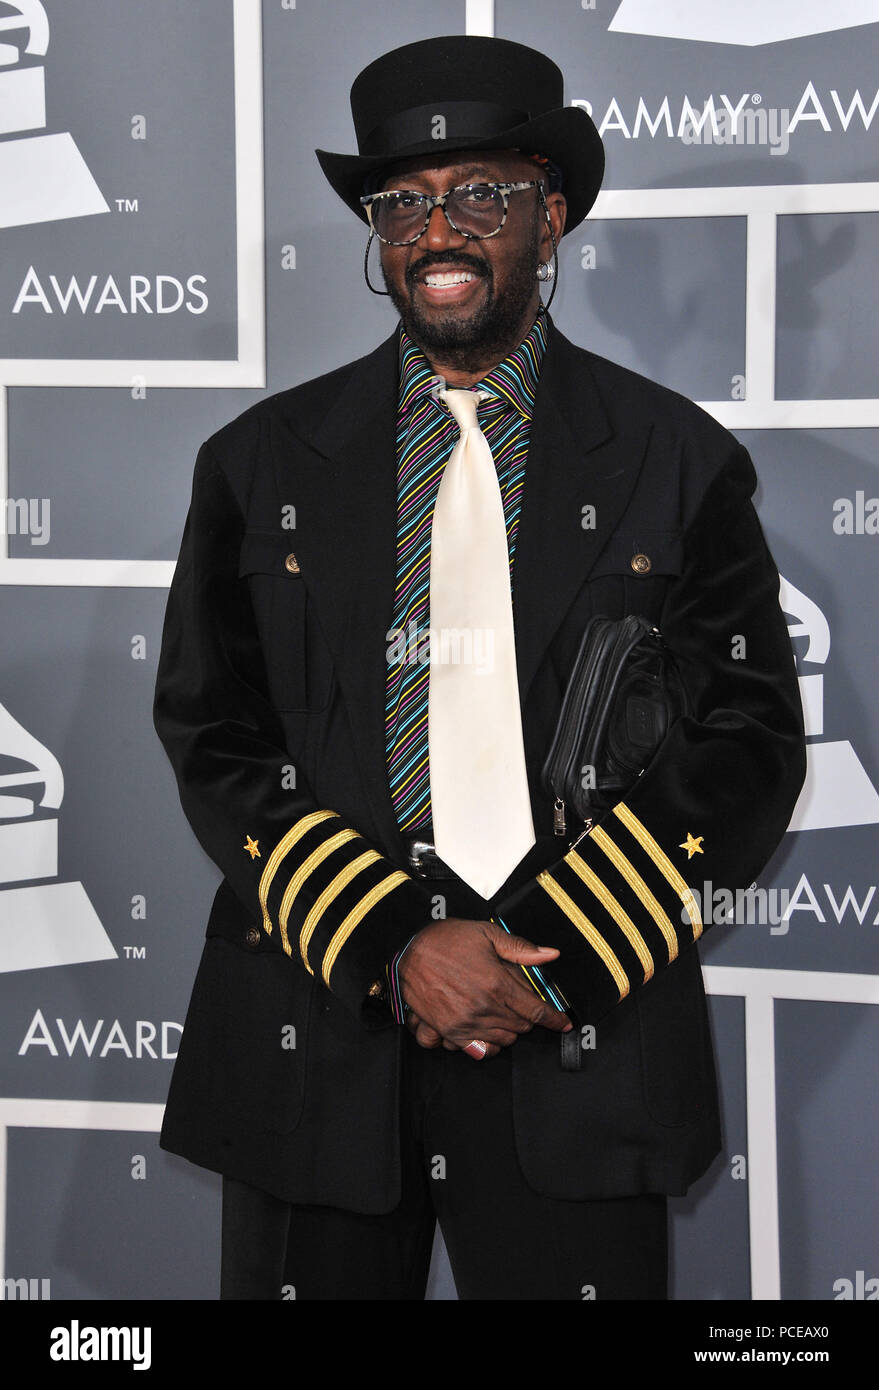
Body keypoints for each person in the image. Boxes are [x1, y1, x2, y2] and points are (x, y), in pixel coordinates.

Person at [153, 35, 806, 1301]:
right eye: (405, 203)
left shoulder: (676, 459)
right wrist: (400, 942)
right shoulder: (259, 464)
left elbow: (746, 747)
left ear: (550, 216)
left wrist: (523, 950)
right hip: (315, 1043)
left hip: (578, 1035)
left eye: (482, 195)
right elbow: (212, 736)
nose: (439, 230)